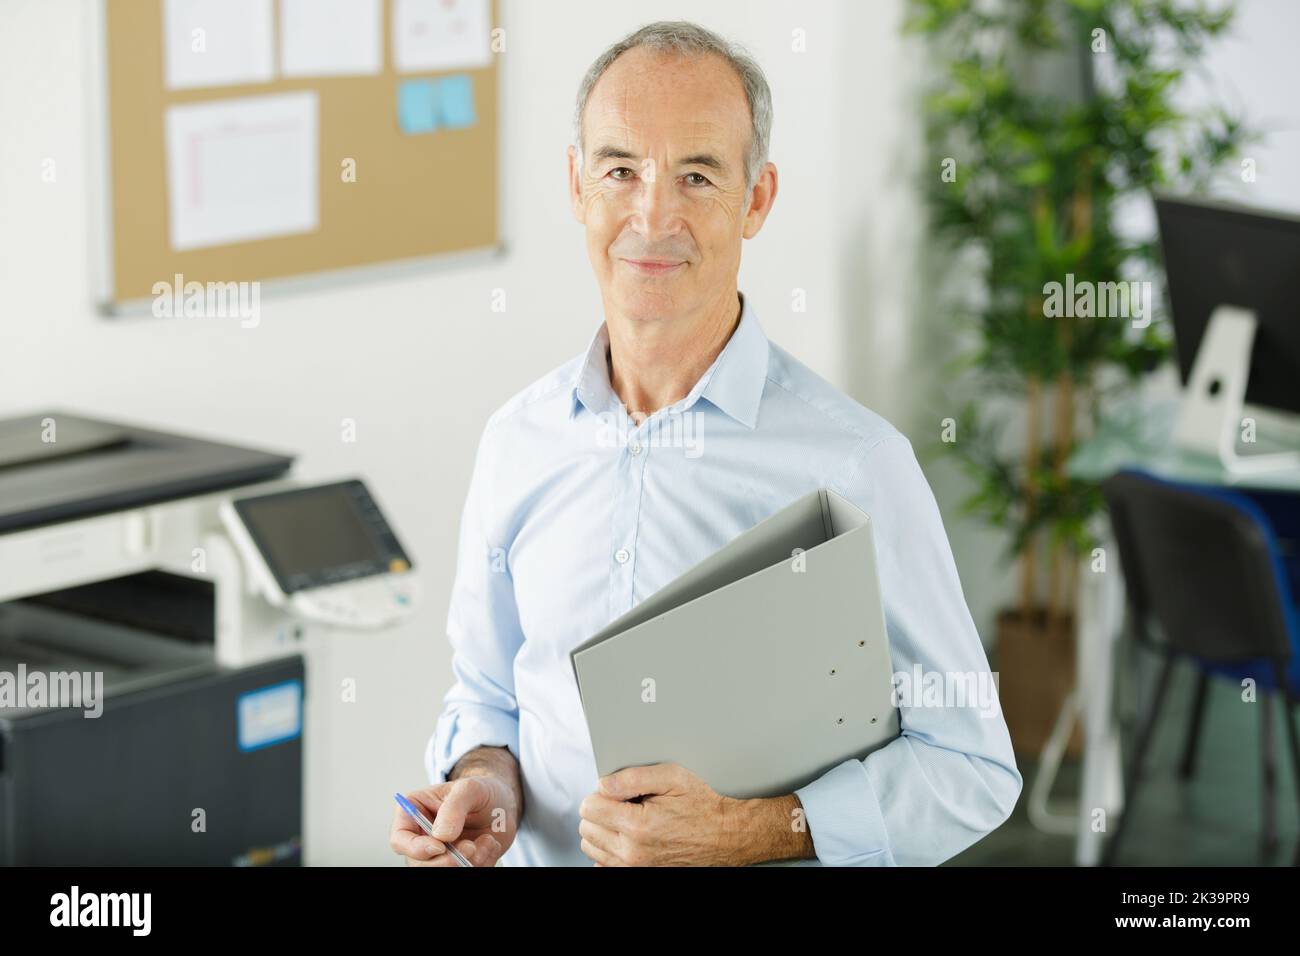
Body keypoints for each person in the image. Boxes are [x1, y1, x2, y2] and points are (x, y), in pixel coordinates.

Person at [390, 20, 1020, 867]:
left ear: (756, 198)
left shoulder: (856, 465)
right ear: (578, 186)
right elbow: (490, 696)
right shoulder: (517, 444)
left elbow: (972, 768)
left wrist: (758, 830)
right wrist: (489, 792)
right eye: (620, 170)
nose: (653, 215)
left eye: (697, 174)